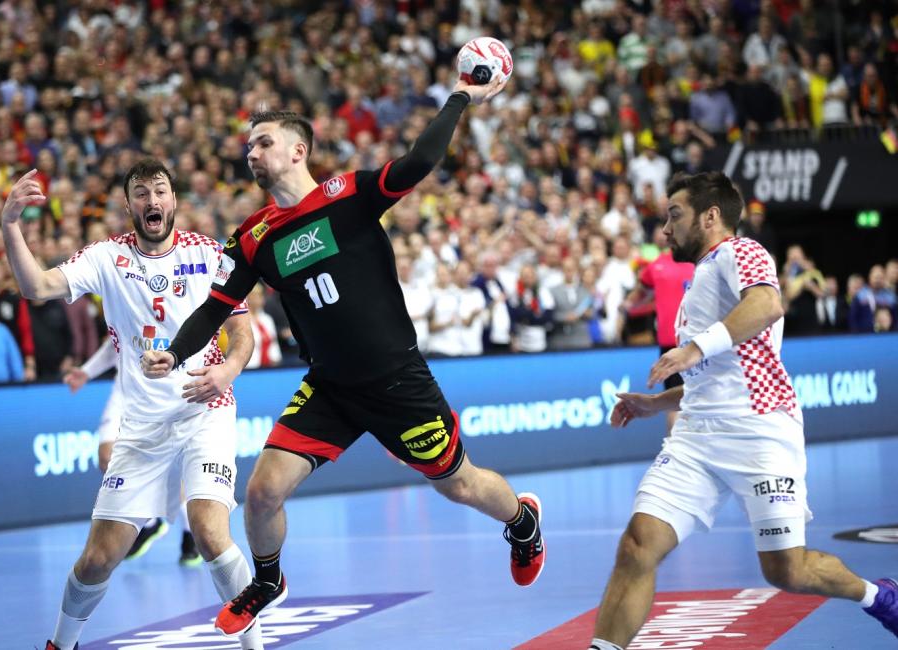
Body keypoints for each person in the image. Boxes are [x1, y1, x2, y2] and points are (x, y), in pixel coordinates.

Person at [142, 77, 546, 638]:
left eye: (263, 142)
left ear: (298, 150)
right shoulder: (253, 236)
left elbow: (419, 161)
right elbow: (216, 307)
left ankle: (522, 521)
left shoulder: (350, 194)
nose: (251, 152)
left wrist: (460, 96)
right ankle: (268, 580)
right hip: (329, 387)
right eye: (249, 145)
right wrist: (174, 352)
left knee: (459, 484)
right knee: (261, 493)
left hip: (397, 382)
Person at [588, 171, 898, 650]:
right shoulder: (698, 282)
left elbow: (768, 304)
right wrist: (656, 404)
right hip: (696, 437)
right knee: (637, 544)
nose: (665, 229)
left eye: (675, 215)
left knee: (787, 571)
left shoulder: (742, 251)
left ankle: (878, 597)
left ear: (710, 216)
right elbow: (717, 376)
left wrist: (692, 349)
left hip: (759, 432)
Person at [1, 159, 265, 650]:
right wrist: (10, 223)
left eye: (159, 190)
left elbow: (242, 332)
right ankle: (61, 644)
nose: (152, 201)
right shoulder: (107, 257)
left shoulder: (209, 252)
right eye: (141, 193)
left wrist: (227, 371)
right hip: (141, 425)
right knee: (98, 559)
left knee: (209, 532)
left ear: (173, 199)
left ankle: (255, 647)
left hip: (204, 410)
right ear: (129, 206)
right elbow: (35, 287)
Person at [63, 337, 202, 566]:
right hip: (126, 389)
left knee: (168, 466)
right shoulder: (119, 313)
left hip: (164, 391)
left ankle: (190, 534)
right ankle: (151, 523)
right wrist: (86, 372)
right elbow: (115, 343)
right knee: (106, 457)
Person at [632, 227, 694, 431]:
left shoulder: (696, 264)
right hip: (683, 343)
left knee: (677, 403)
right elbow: (642, 293)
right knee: (680, 403)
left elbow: (640, 294)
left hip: (690, 343)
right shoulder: (658, 266)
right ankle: (675, 445)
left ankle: (675, 446)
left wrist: (629, 305)